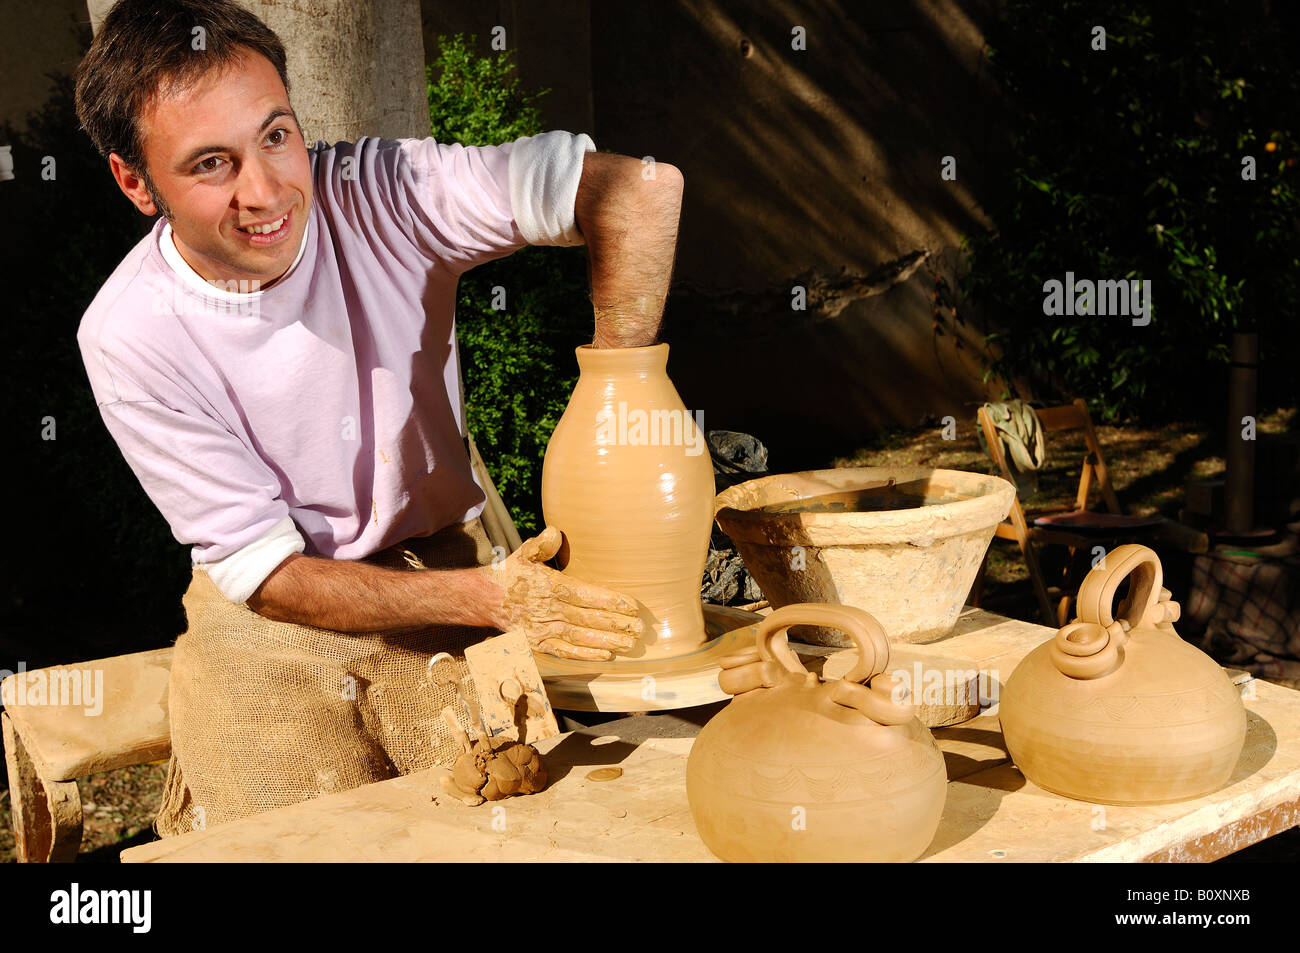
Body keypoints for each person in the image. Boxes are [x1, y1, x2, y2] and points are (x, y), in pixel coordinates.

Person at [73, 0, 683, 836]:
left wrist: (620, 382)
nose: (265, 192)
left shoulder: (383, 194)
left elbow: (640, 190)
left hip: (451, 581)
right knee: (292, 852)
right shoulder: (131, 335)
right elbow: (269, 577)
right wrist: (493, 600)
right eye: (211, 164)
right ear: (135, 182)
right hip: (272, 628)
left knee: (511, 835)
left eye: (276, 136)